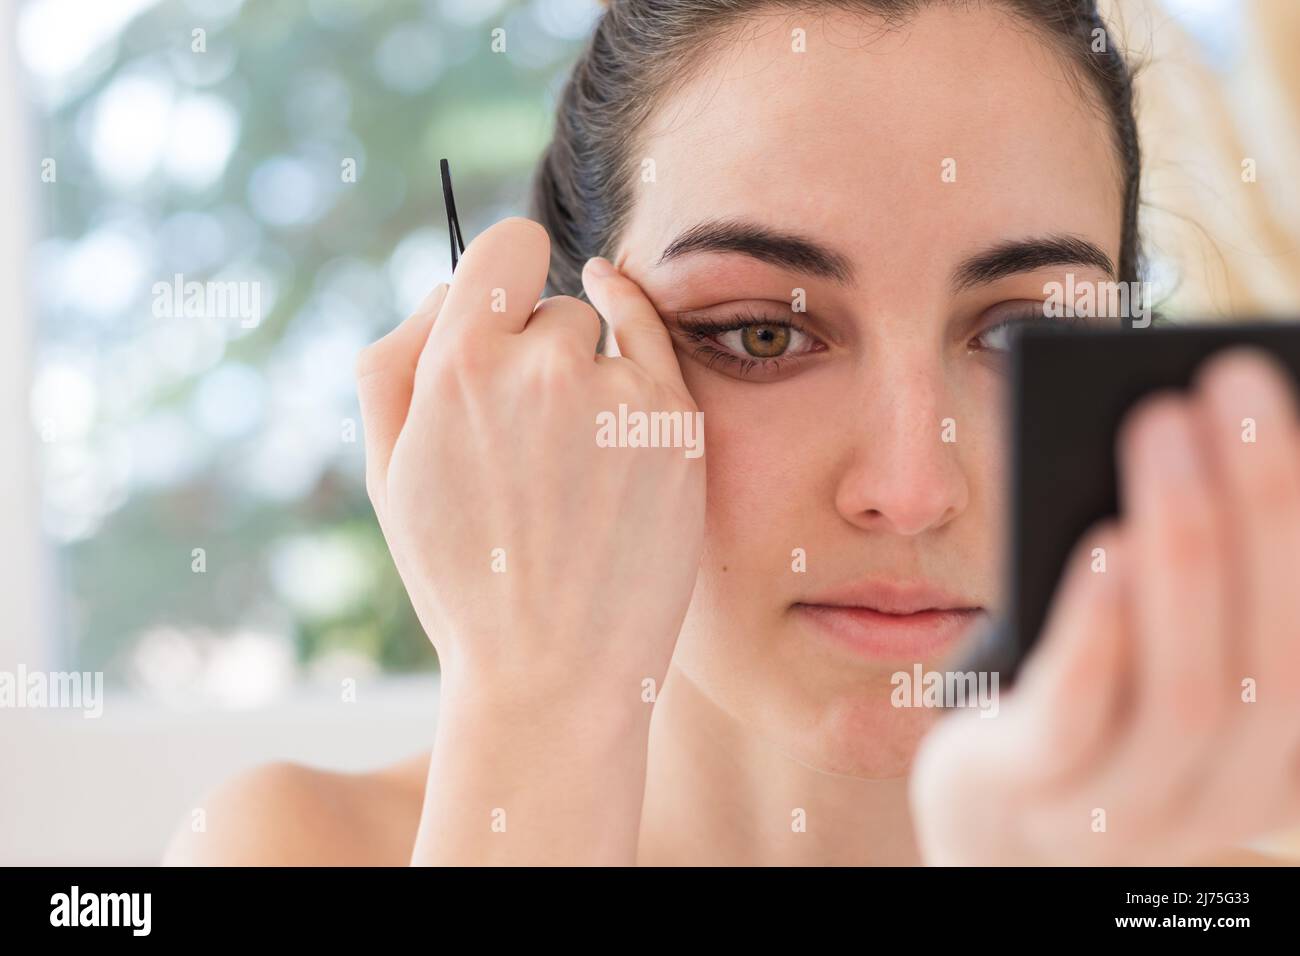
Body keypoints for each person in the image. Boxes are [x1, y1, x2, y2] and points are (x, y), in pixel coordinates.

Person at [165, 0, 1300, 866]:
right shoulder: (300, 845)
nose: (908, 488)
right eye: (760, 335)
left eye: (1018, 337)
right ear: (559, 368)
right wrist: (532, 708)